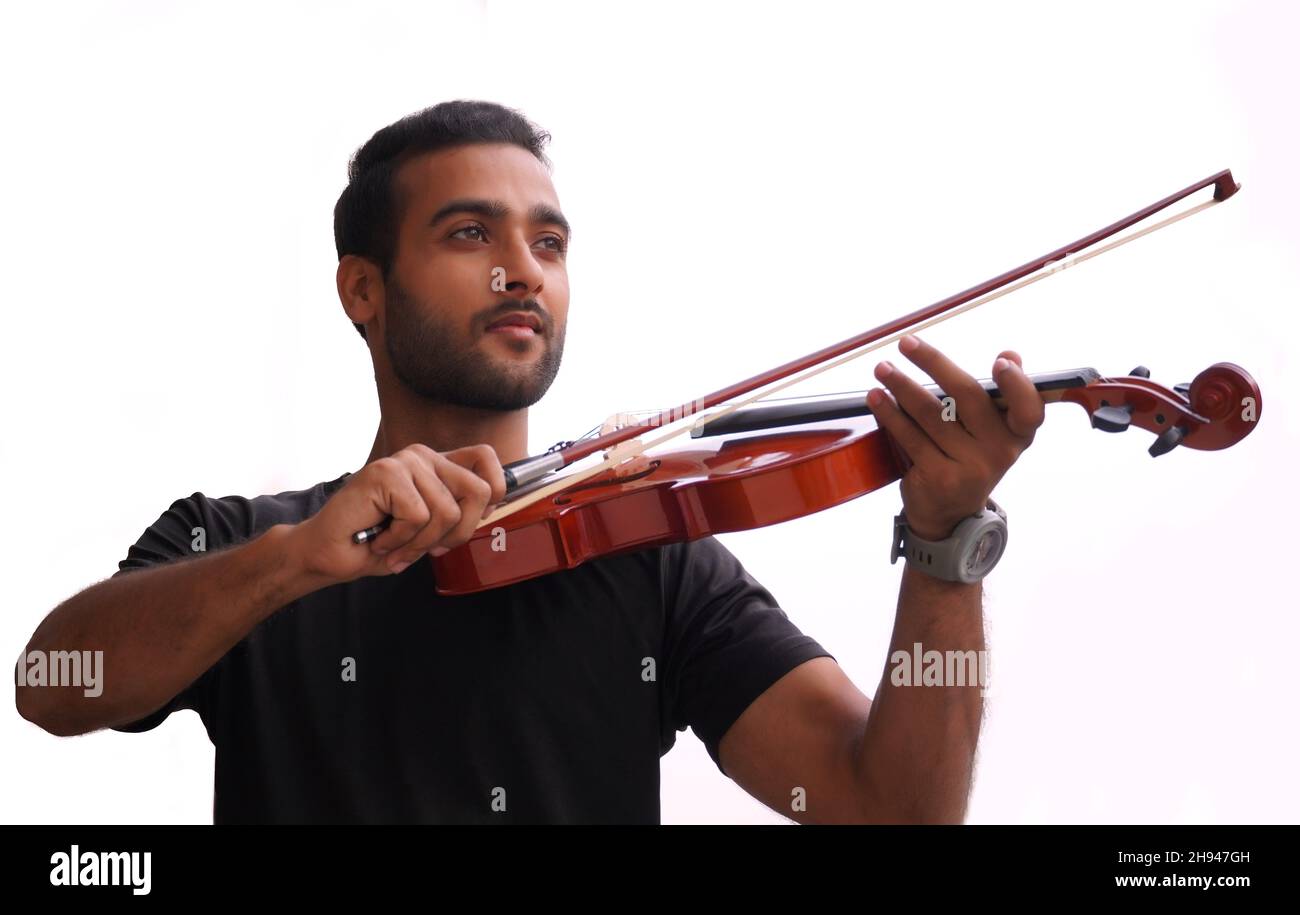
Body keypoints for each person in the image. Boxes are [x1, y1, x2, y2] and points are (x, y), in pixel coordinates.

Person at [16, 100, 1045, 824]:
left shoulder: (652, 556)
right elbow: (51, 683)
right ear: (362, 292)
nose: (523, 272)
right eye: (471, 233)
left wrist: (947, 545)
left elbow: (892, 812)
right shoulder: (240, 544)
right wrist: (293, 564)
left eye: (548, 244)